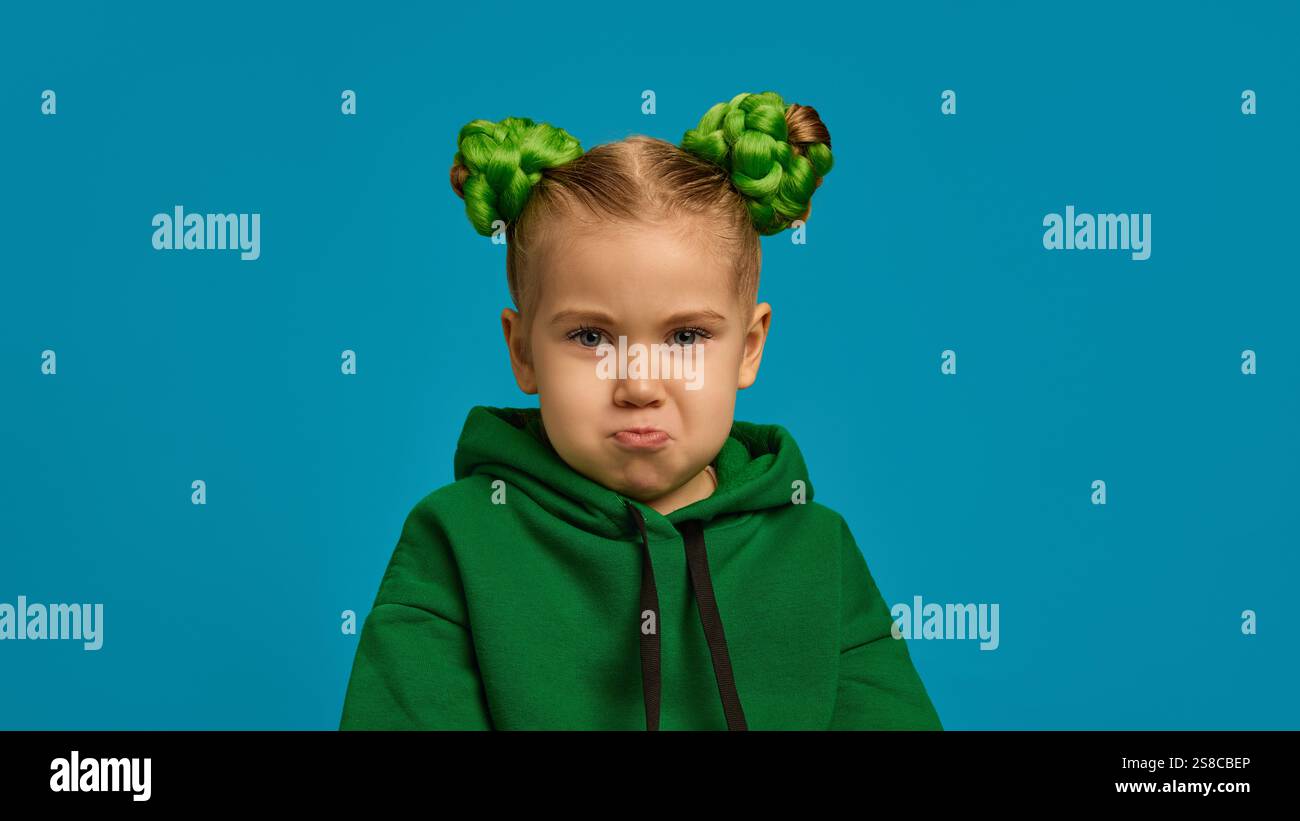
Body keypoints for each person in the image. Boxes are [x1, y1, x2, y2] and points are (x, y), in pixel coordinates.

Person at [339, 91, 942, 730]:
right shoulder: (456, 541)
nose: (638, 384)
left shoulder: (815, 547)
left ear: (750, 348)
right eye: (590, 337)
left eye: (686, 337)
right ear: (523, 352)